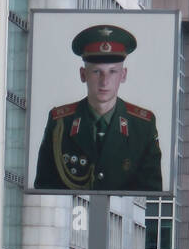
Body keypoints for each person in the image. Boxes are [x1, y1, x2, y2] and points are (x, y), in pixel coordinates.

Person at [33, 24, 163, 192]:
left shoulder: (143, 125)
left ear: (123, 75)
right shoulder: (61, 122)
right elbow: (44, 187)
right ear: (83, 74)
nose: (104, 81)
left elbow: (152, 190)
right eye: (96, 72)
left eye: (112, 72)